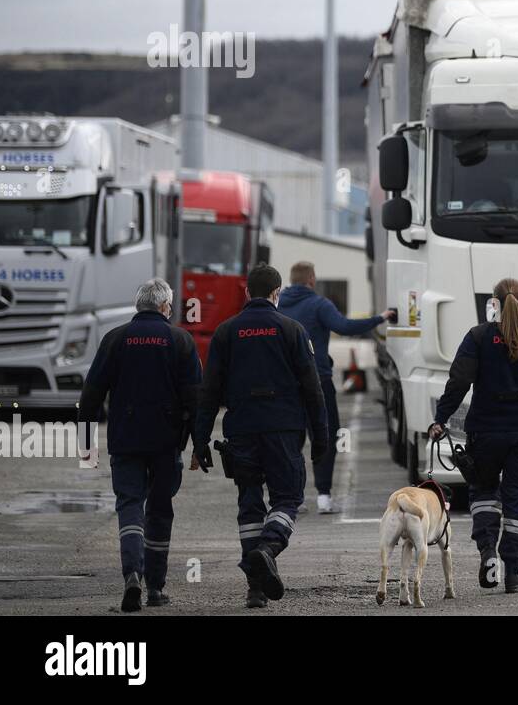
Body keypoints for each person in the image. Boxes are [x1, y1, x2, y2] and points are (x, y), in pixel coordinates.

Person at [193, 263, 328, 609]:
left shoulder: (226, 332)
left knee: (249, 503)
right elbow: (313, 389)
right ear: (276, 293)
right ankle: (268, 549)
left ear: (246, 292)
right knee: (287, 498)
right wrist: (322, 436)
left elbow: (208, 391)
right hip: (283, 431)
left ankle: (255, 589)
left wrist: (200, 438)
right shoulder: (292, 329)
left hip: (242, 431)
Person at [429, 278, 518, 594]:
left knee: (484, 492)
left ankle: (488, 552)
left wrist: (440, 419)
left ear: (494, 303)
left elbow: (458, 383)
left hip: (486, 433)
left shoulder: (478, 338)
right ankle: (514, 573)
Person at [78, 278, 202, 612]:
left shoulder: (114, 339)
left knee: (130, 506)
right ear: (165, 307)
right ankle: (156, 589)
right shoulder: (181, 340)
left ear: (138, 306)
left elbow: (91, 395)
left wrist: (87, 446)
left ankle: (132, 572)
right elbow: (195, 399)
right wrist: (198, 445)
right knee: (160, 510)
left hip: (126, 439)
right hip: (166, 442)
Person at [278, 261, 393, 514]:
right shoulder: (319, 304)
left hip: (284, 384)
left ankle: (292, 499)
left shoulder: (278, 305)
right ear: (311, 279)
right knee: (325, 436)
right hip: (317, 381)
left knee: (289, 439)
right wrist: (380, 318)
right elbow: (345, 327)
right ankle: (323, 497)